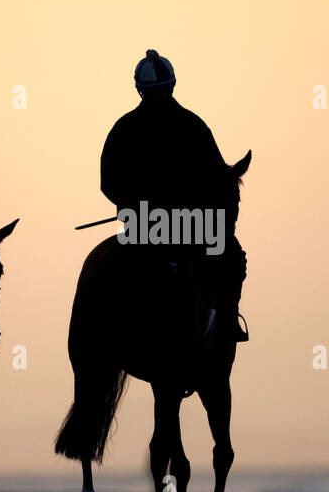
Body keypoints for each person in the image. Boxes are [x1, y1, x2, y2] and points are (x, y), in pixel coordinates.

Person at [100, 49, 248, 342]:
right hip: (192, 226)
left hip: (141, 227)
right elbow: (219, 182)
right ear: (172, 84)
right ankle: (229, 321)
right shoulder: (194, 125)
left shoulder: (123, 128)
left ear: (139, 88)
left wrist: (133, 207)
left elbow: (108, 183)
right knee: (233, 258)